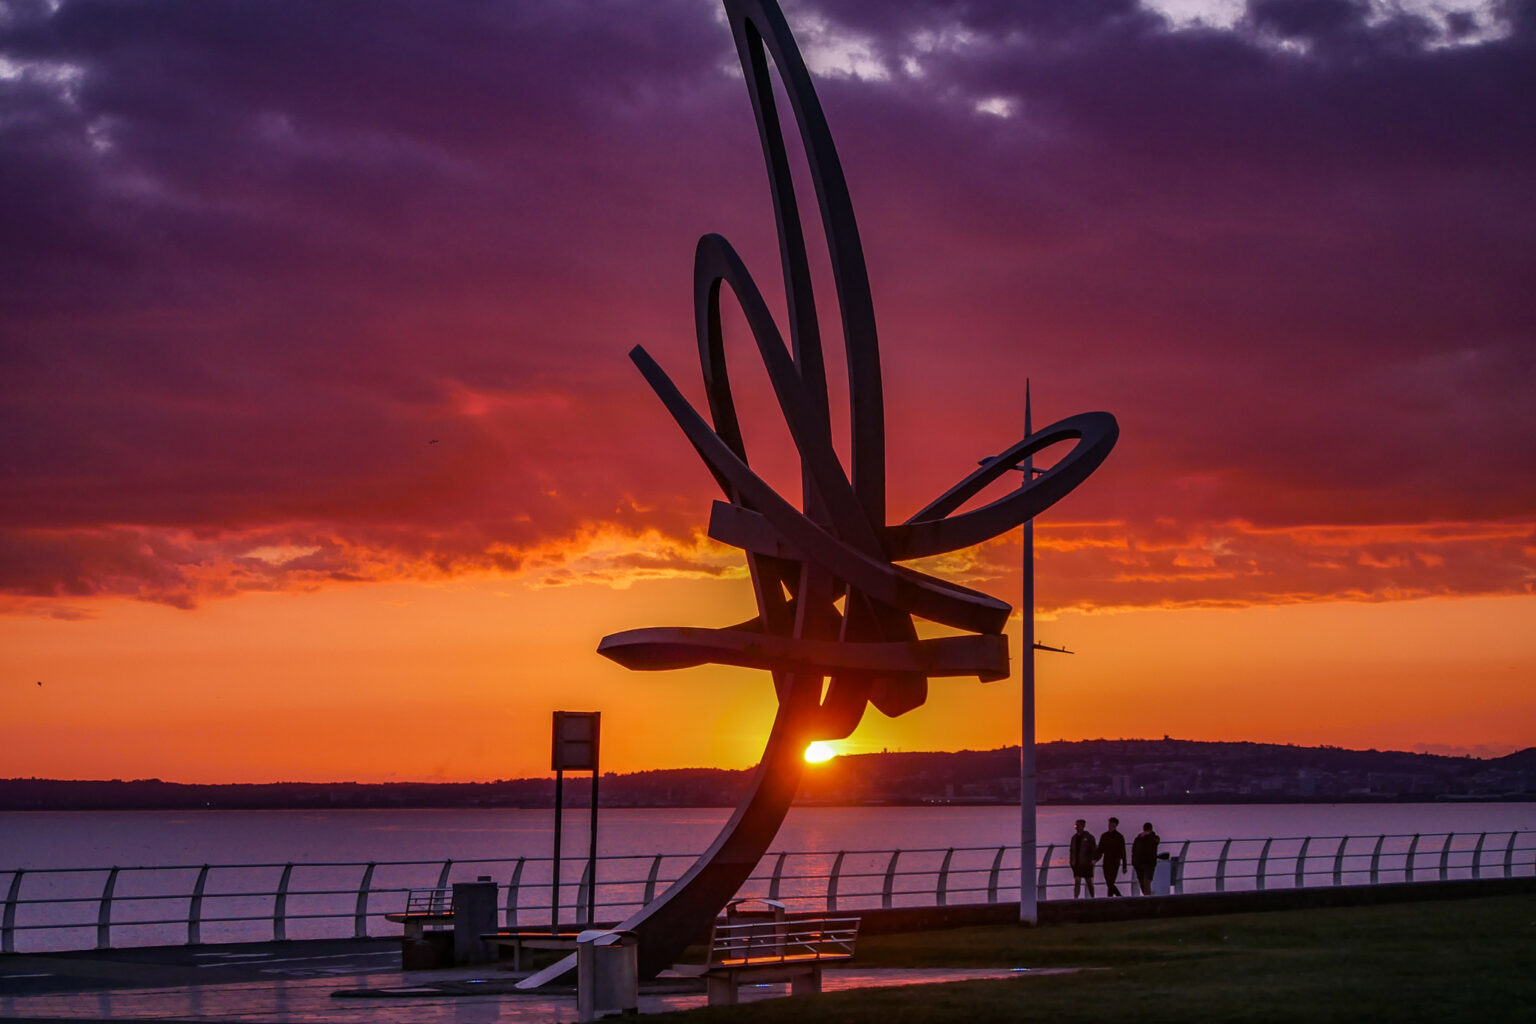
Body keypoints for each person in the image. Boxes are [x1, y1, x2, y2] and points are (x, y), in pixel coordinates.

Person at [1098, 817, 1127, 897]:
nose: (1110, 825)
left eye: (1112, 824)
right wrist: (1095, 859)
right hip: (1106, 862)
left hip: (1115, 862)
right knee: (1109, 882)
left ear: (1116, 825)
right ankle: (1115, 898)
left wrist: (1124, 866)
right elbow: (1100, 849)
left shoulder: (1119, 837)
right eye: (1110, 823)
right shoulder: (1104, 836)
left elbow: (1123, 852)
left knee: (1110, 882)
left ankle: (1117, 897)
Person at [1069, 819, 1097, 898]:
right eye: (1076, 825)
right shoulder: (1074, 838)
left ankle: (1092, 897)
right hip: (1077, 863)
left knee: (1089, 882)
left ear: (1083, 826)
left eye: (1078, 825)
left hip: (1086, 864)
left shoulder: (1089, 837)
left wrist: (1093, 860)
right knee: (1077, 881)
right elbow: (1071, 851)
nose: (1076, 827)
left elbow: (1094, 850)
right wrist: (1071, 862)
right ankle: (1076, 898)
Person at [1131, 821, 1160, 895]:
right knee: (1142, 884)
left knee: (1147, 882)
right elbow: (1134, 850)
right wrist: (1134, 862)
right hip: (1139, 864)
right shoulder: (1138, 839)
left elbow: (1156, 841)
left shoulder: (1154, 838)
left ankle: (1148, 900)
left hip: (1149, 864)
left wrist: (1148, 835)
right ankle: (1147, 898)